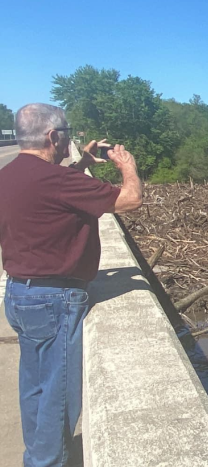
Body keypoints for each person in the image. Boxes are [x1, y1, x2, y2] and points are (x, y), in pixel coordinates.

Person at [0, 103, 143, 467]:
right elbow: (130, 200)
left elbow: (47, 197)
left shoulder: (9, 174)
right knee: (59, 397)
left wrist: (80, 165)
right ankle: (46, 462)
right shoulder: (61, 181)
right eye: (65, 134)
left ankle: (34, 456)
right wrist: (128, 168)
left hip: (19, 293)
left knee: (34, 387)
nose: (68, 141)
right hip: (56, 300)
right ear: (53, 136)